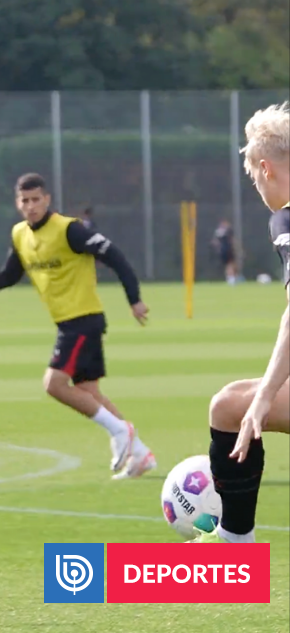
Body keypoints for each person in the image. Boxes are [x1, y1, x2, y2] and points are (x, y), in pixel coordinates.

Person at [0, 173, 155, 480]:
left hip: (83, 320)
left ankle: (120, 431)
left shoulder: (69, 229)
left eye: (36, 199)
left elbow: (114, 256)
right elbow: (8, 276)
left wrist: (134, 299)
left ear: (47, 199)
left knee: (54, 384)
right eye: (25, 200)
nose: (31, 206)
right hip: (68, 323)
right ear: (17, 203)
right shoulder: (20, 234)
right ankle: (140, 454)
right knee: (89, 392)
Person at [190, 102, 290, 544]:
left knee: (235, 407)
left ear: (265, 169)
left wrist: (265, 396)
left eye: (254, 179)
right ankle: (233, 543)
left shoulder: (285, 218)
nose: (257, 188)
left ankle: (233, 548)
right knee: (231, 405)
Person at [212, 218, 240, 285]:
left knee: (228, 265)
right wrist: (237, 248)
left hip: (222, 250)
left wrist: (218, 248)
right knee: (231, 264)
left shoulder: (218, 232)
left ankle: (230, 278)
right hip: (228, 249)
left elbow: (215, 242)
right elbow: (232, 240)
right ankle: (231, 279)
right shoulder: (229, 230)